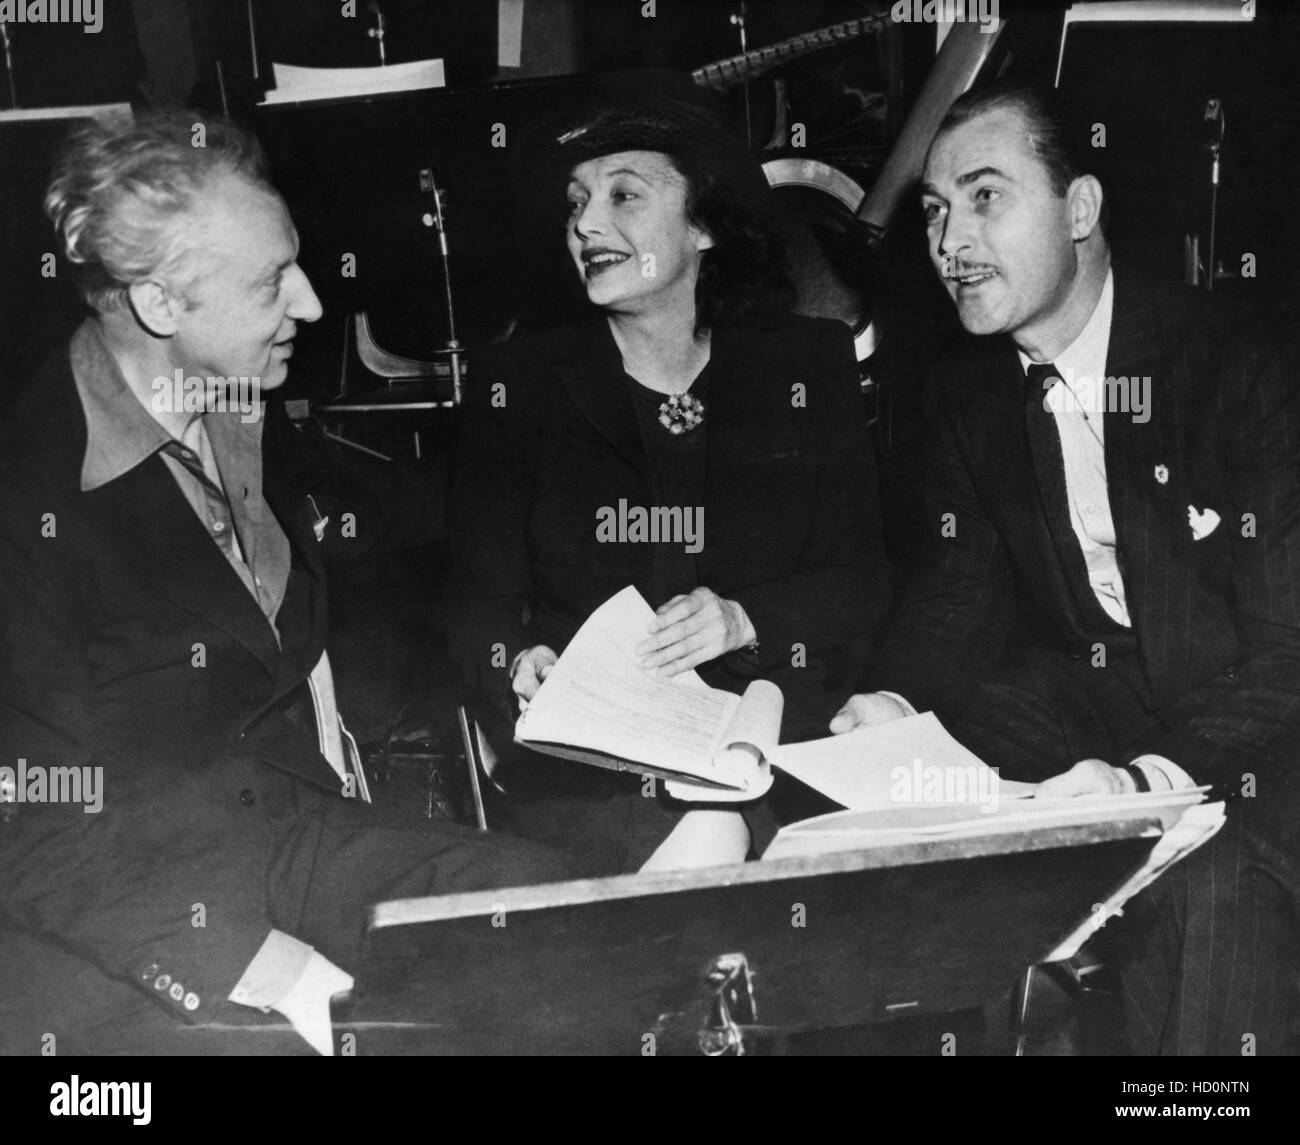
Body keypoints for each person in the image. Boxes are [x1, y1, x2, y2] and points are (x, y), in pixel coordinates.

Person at [0, 111, 572, 1056]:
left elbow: (372, 561)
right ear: (160, 306)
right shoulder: (25, 505)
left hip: (297, 841)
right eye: (274, 282)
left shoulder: (231, 400)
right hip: (116, 922)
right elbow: (36, 839)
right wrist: (268, 969)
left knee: (579, 935)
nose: (311, 305)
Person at [832, 84, 1300, 1054]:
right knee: (891, 803)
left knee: (1206, 886)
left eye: (984, 196)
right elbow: (957, 594)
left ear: (1078, 209)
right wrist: (890, 701)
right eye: (932, 210)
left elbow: (1288, 647)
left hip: (1265, 721)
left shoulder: (1237, 363)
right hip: (1098, 696)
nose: (949, 239)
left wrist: (1144, 779)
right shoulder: (968, 393)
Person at [446, 99, 891, 874]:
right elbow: (472, 603)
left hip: (781, 733)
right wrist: (517, 661)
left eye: (623, 194)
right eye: (576, 203)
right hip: (600, 767)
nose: (586, 224)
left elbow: (862, 579)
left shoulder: (808, 366)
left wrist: (747, 618)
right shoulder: (517, 386)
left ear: (703, 227)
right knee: (715, 857)